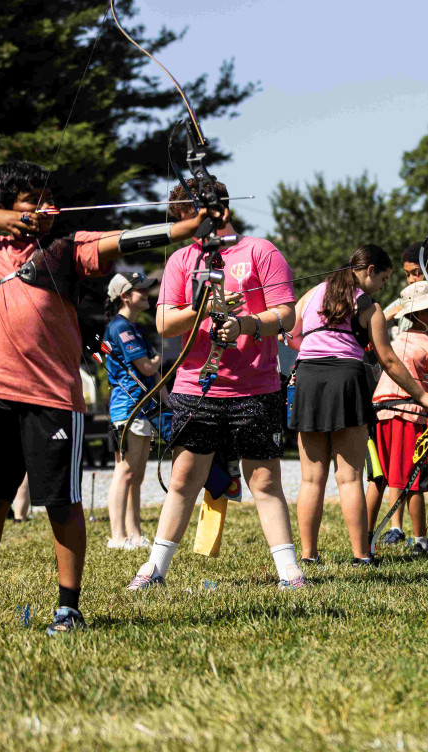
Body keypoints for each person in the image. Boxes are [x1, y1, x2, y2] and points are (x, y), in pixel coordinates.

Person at [0, 159, 210, 635]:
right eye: (33, 199)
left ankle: (68, 608)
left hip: (53, 396)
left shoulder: (68, 247)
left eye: (49, 198)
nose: (47, 207)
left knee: (62, 503)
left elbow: (127, 239)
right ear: (8, 205)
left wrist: (187, 228)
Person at [126, 179, 304, 591]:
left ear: (220, 211)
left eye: (195, 218)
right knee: (184, 479)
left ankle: (290, 572)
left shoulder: (260, 251)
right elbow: (164, 323)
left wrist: (245, 325)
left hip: (255, 387)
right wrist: (203, 309)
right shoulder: (182, 259)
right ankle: (154, 569)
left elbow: (286, 315)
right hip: (196, 387)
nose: (191, 229)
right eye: (184, 221)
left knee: (264, 481)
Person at [287, 245, 428, 564]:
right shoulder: (369, 307)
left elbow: (290, 334)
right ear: (370, 270)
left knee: (311, 479)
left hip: (308, 378)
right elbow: (388, 359)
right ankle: (361, 555)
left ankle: (308, 556)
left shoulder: (313, 292)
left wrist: (312, 345)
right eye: (384, 279)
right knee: (349, 478)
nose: (383, 287)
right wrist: (422, 396)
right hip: (345, 378)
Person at [368, 282, 428, 553]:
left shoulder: (396, 340)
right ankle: (420, 540)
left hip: (380, 413)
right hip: (408, 416)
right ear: (420, 314)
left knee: (379, 477)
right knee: (414, 479)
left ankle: (365, 535)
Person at [101, 271, 162, 550]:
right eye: (141, 289)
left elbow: (154, 374)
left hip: (143, 408)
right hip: (128, 409)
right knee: (124, 472)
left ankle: (135, 534)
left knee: (136, 476)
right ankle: (117, 537)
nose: (147, 293)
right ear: (125, 296)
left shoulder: (135, 328)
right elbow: (148, 367)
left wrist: (168, 401)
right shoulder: (120, 327)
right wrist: (158, 358)